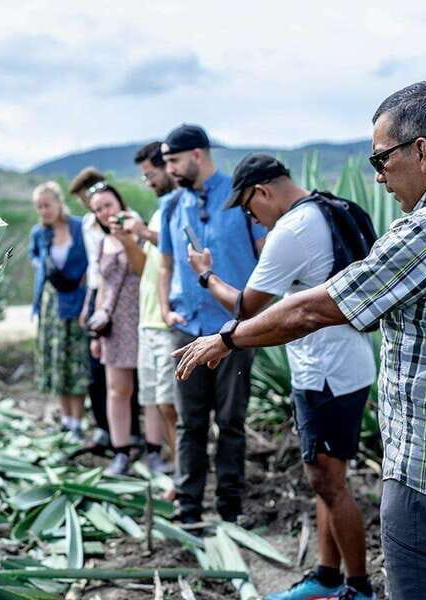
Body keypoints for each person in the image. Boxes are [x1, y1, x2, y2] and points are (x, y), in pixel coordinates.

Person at [173, 82, 426, 600]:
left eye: (381, 157)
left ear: (421, 150)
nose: (377, 175)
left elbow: (309, 308)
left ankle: (347, 583)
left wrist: (227, 340)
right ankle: (332, 578)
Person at [187, 154, 377, 600]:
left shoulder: (292, 229)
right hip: (347, 365)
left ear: (263, 192)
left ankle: (359, 588)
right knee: (326, 479)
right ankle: (328, 578)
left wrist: (205, 276)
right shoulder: (330, 208)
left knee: (328, 482)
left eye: (250, 209)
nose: (253, 219)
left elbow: (245, 308)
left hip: (325, 375)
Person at [158, 124, 266, 524]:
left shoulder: (239, 199)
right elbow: (165, 265)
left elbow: (264, 255)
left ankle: (229, 508)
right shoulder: (171, 205)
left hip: (234, 331)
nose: (168, 168)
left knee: (231, 422)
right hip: (187, 328)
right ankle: (188, 507)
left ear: (197, 156)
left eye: (173, 161)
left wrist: (252, 313)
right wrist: (166, 311)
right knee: (190, 424)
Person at [115, 141, 180, 476]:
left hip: (168, 325)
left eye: (150, 174)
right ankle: (174, 465)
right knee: (158, 402)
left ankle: (183, 471)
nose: (148, 182)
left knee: (172, 405)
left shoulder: (178, 207)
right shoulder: (159, 211)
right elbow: (145, 268)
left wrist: (143, 232)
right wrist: (130, 239)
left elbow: (178, 253)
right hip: (148, 321)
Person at [68, 168, 142, 451]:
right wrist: (91, 306)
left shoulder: (133, 224)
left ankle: (138, 435)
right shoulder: (91, 227)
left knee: (135, 380)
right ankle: (110, 433)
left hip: (130, 302)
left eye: (102, 203)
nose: (94, 208)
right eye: (91, 204)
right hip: (103, 297)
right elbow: (95, 270)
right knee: (103, 376)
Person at [87, 182, 143, 475]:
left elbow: (144, 269)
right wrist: (96, 328)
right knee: (117, 390)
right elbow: (101, 287)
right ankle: (121, 451)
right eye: (97, 210)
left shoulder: (139, 230)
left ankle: (156, 450)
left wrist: (129, 240)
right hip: (113, 323)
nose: (104, 213)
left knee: (149, 392)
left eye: (107, 205)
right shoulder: (101, 242)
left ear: (119, 202)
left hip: (141, 316)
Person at [29, 182, 89, 442]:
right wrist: (43, 267)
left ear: (58, 202)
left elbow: (93, 255)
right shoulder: (39, 233)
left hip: (76, 298)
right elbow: (34, 256)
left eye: (47, 205)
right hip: (50, 302)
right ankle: (65, 420)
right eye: (39, 207)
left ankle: (78, 421)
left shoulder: (80, 226)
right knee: (57, 362)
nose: (43, 211)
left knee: (76, 363)